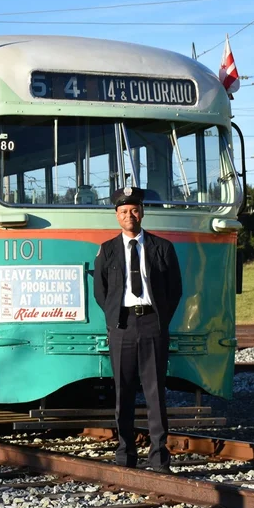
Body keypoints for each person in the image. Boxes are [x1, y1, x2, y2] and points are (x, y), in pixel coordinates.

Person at [93, 186, 183, 473]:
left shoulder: (162, 247)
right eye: (123, 212)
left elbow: (175, 289)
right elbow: (100, 291)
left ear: (142, 212)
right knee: (124, 393)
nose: (129, 215)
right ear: (116, 216)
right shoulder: (107, 250)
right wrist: (113, 322)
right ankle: (125, 456)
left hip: (153, 324)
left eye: (133, 210)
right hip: (122, 327)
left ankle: (159, 458)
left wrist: (160, 320)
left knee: (156, 393)